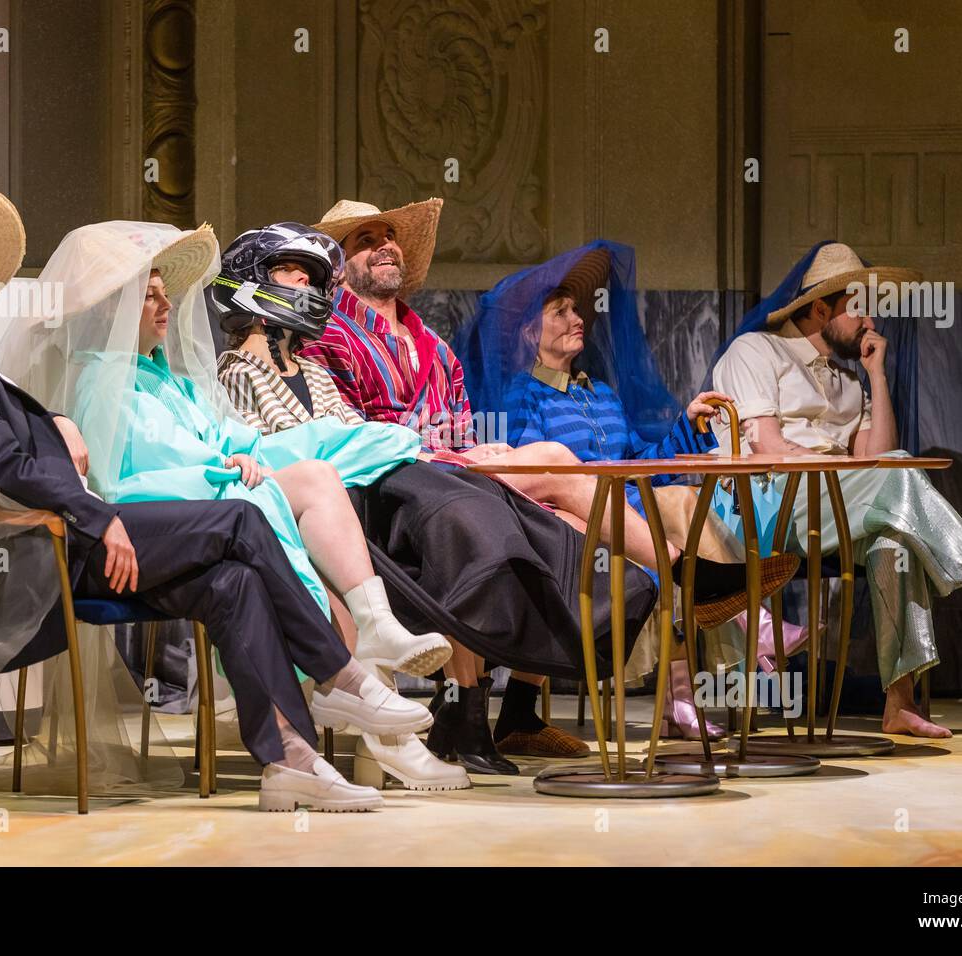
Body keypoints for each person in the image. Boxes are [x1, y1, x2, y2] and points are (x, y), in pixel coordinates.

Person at [0, 185, 437, 813]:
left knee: (233, 584)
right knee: (242, 518)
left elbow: (15, 448)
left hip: (90, 533)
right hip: (56, 546)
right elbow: (1, 467)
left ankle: (287, 757)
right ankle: (339, 673)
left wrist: (56, 420)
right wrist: (95, 513)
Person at [300, 197, 798, 755]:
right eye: (365, 239)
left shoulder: (433, 344)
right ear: (338, 264)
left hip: (455, 477)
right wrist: (451, 452)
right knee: (555, 461)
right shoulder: (327, 335)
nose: (385, 244)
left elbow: (470, 425)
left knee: (573, 518)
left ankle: (501, 711)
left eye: (388, 235)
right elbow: (343, 433)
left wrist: (474, 449)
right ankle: (690, 583)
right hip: (391, 488)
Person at [212, 222, 649, 777]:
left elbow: (358, 432)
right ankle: (447, 718)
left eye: (311, 274)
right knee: (479, 507)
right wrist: (398, 444)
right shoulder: (237, 372)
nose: (304, 282)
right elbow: (295, 452)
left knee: (497, 511)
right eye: (289, 273)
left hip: (387, 485)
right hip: (335, 509)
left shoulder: (325, 368)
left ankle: (462, 714)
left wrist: (418, 446)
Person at [0, 221, 452, 690]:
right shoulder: (102, 381)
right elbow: (129, 479)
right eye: (151, 296)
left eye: (163, 293)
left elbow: (241, 442)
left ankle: (372, 630)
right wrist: (223, 470)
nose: (167, 304)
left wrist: (389, 440)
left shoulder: (172, 382)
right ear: (116, 307)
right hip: (156, 526)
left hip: (210, 499)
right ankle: (341, 676)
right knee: (287, 503)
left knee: (316, 474)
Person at [709, 241, 962, 738]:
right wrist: (844, 469)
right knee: (898, 472)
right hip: (771, 500)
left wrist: (876, 375)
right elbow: (767, 449)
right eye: (859, 309)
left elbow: (880, 455)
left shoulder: (848, 380)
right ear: (821, 309)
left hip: (838, 506)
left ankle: (900, 701)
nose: (871, 321)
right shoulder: (756, 350)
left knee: (896, 543)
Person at [456, 240, 808, 739]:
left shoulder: (600, 394)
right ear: (531, 332)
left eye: (576, 309)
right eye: (561, 312)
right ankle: (751, 629)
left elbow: (641, 466)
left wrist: (688, 425)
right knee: (667, 531)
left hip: (626, 507)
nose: (579, 318)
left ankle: (688, 694)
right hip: (567, 521)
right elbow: (536, 482)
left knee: (683, 500)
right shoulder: (519, 397)